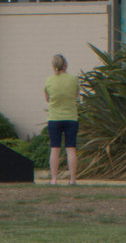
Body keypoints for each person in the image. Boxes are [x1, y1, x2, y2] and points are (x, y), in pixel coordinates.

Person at [43, 53, 80, 186]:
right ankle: (72, 179)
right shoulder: (74, 79)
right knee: (71, 149)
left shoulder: (49, 80)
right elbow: (76, 96)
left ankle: (53, 179)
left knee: (55, 149)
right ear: (65, 64)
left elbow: (47, 99)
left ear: (54, 66)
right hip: (71, 117)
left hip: (54, 118)